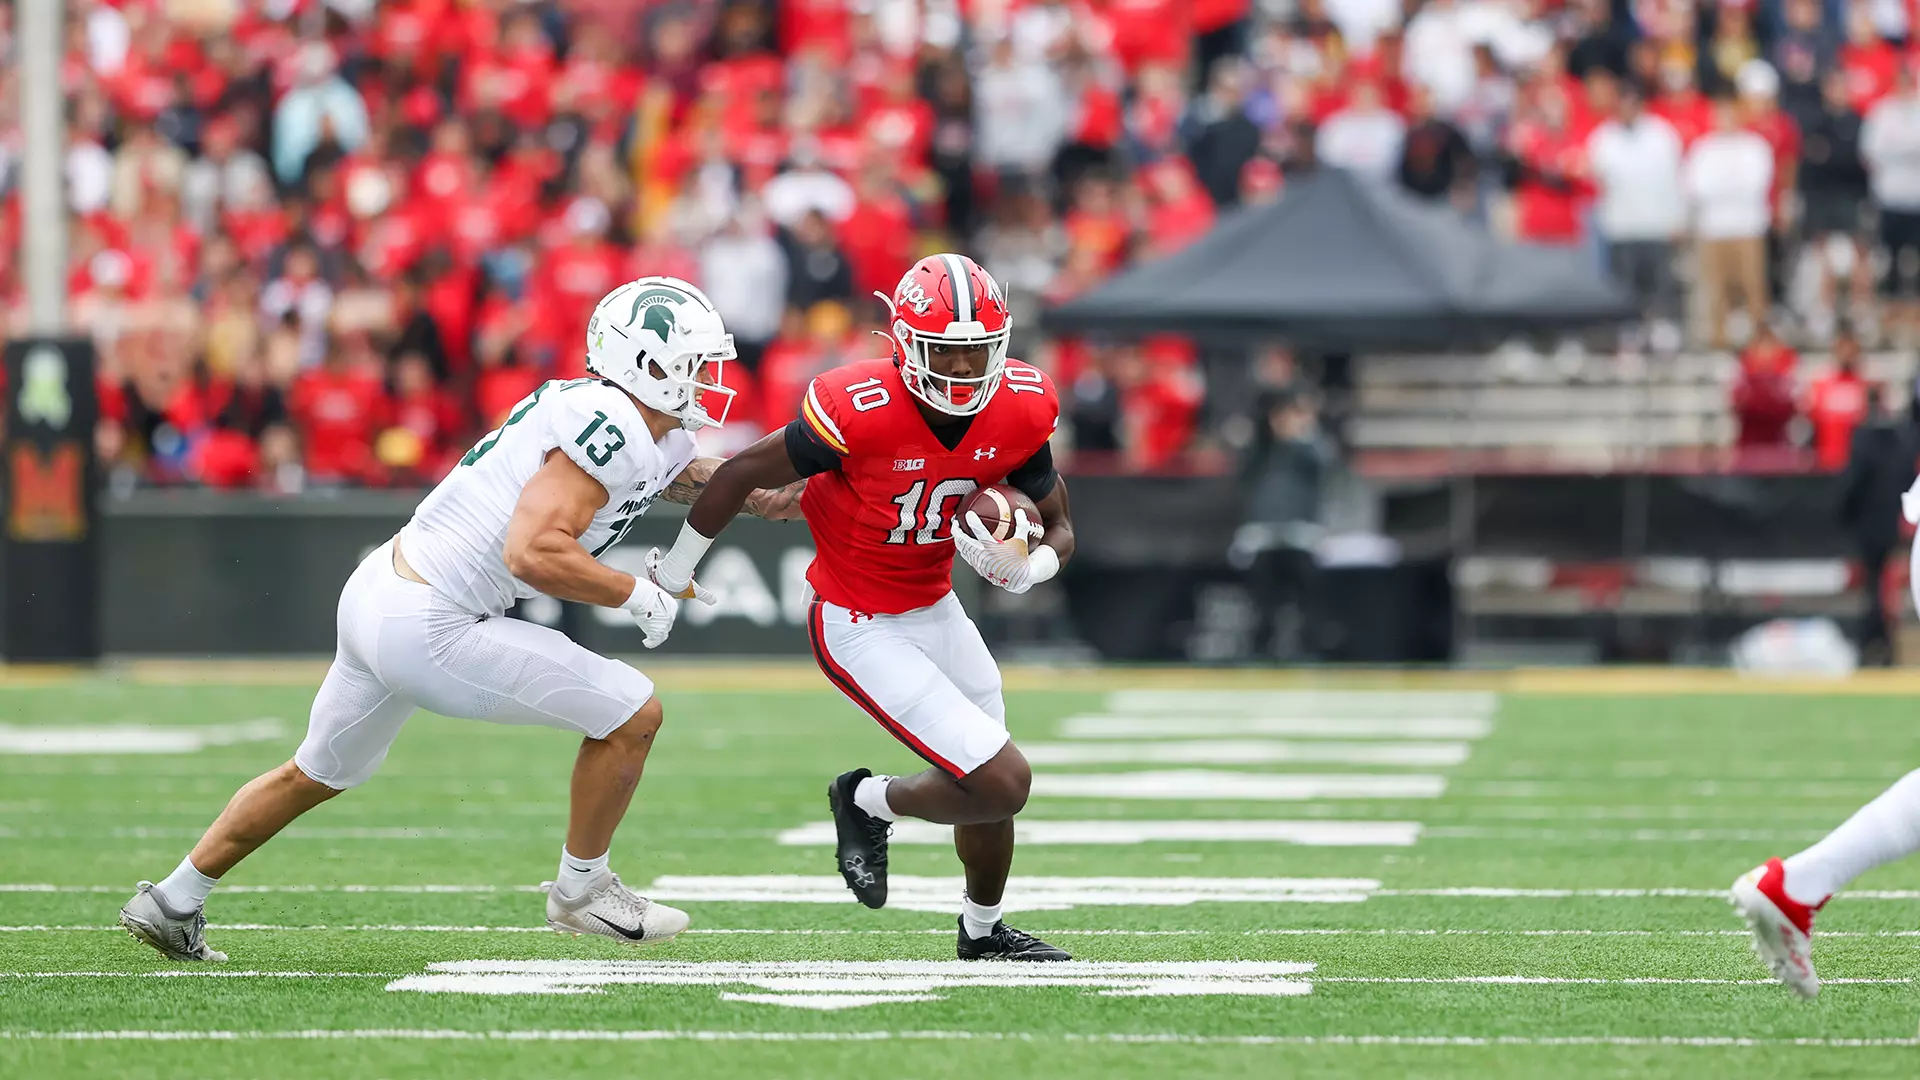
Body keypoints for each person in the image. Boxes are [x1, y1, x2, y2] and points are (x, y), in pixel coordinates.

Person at [118, 278, 806, 962]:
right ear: (645, 365)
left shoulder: (619, 419)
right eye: (695, 361)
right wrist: (635, 593)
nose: (711, 376)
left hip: (382, 588)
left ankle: (173, 900)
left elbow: (692, 476)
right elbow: (532, 551)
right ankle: (581, 892)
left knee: (315, 772)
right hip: (432, 620)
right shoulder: (616, 425)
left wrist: (771, 492)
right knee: (633, 714)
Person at [648, 254, 1076, 962]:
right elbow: (743, 473)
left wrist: (1031, 567)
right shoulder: (860, 405)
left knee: (988, 787)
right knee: (1005, 778)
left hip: (936, 607)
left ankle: (981, 932)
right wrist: (677, 571)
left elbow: (1061, 524)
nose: (967, 373)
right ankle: (866, 799)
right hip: (857, 618)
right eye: (950, 353)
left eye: (979, 353)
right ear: (906, 345)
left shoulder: (1023, 403)